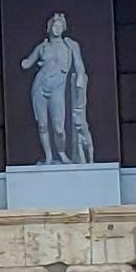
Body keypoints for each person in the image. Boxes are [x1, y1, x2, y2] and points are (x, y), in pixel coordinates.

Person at [18, 12, 93, 165]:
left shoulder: (70, 45)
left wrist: (80, 76)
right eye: (54, 25)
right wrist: (23, 61)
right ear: (49, 28)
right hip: (40, 86)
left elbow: (79, 64)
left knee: (59, 128)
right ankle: (49, 157)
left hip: (57, 89)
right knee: (42, 124)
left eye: (59, 26)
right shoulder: (43, 47)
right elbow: (27, 63)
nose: (56, 28)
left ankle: (62, 153)